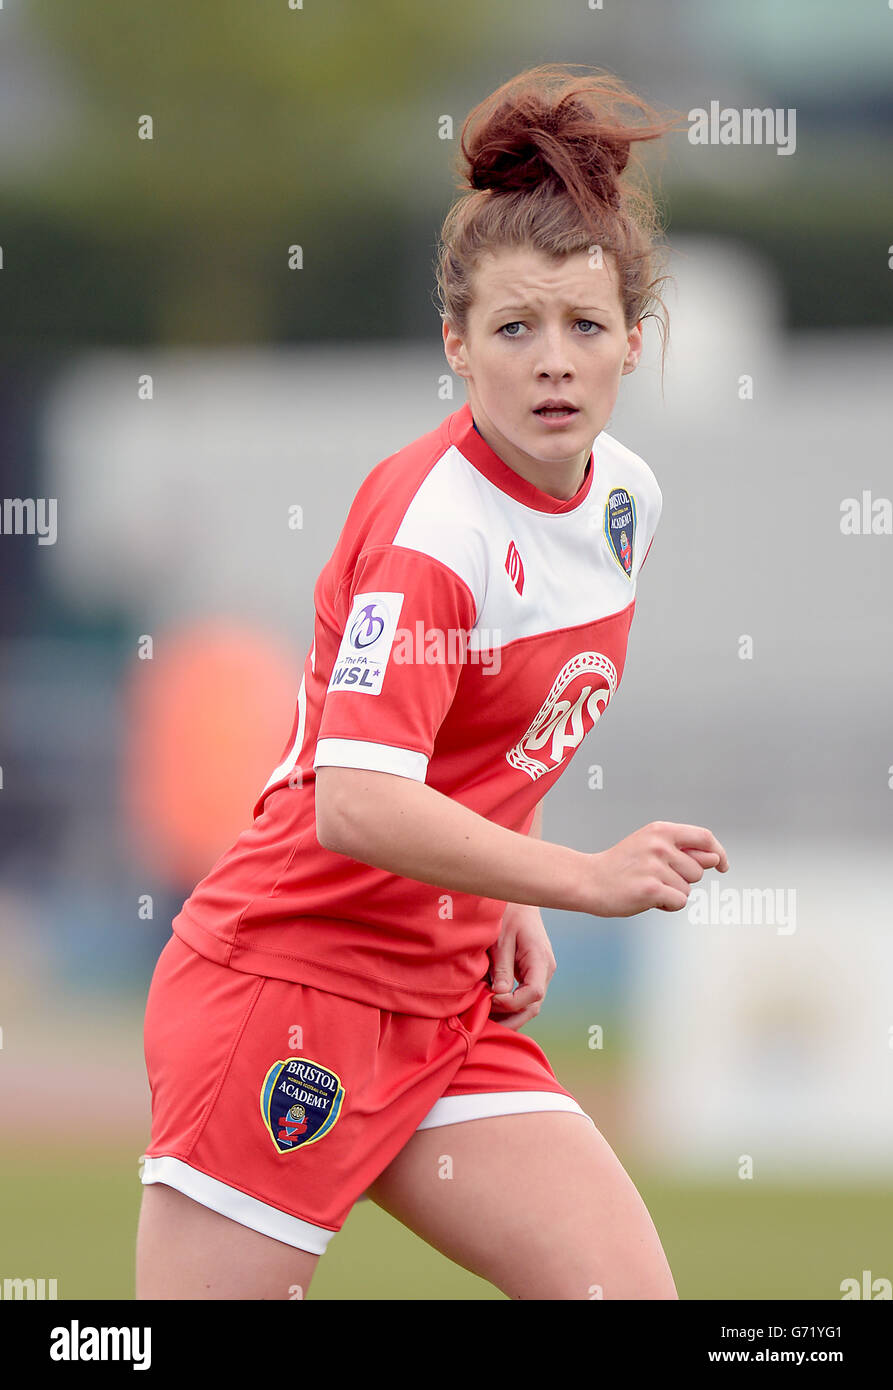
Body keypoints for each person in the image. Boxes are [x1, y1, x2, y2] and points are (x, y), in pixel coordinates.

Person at [135, 62, 728, 1301]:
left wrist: (500, 878)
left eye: (584, 326)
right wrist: (578, 881)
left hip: (445, 1003)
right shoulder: (435, 534)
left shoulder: (624, 499)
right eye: (514, 329)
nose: (552, 362)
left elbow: (492, 740)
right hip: (291, 981)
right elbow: (355, 802)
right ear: (456, 344)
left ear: (634, 336)